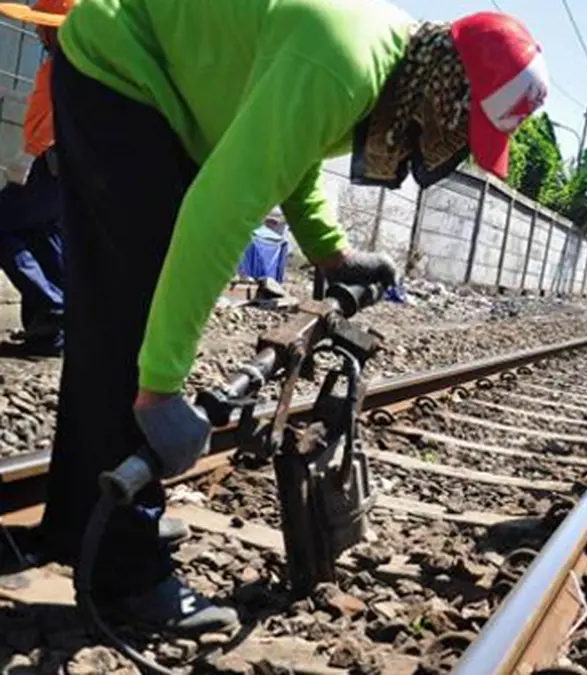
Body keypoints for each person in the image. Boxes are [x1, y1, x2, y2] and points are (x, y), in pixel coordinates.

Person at [36, 0, 549, 635]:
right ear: (446, 85)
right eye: (455, 125)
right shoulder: (341, 65)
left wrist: (329, 252)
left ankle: (79, 518)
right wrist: (161, 388)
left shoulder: (373, 63)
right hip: (122, 73)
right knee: (129, 321)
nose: (442, 144)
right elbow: (220, 210)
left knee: (110, 315)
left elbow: (291, 153)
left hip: (144, 82)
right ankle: (129, 580)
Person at [0, 0, 68, 357]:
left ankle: (54, 307)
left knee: (4, 224)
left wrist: (31, 155)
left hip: (48, 163)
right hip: (57, 167)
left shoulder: (66, 68)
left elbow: (57, 119)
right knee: (41, 234)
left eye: (42, 25)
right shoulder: (67, 65)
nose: (37, 30)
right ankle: (53, 333)